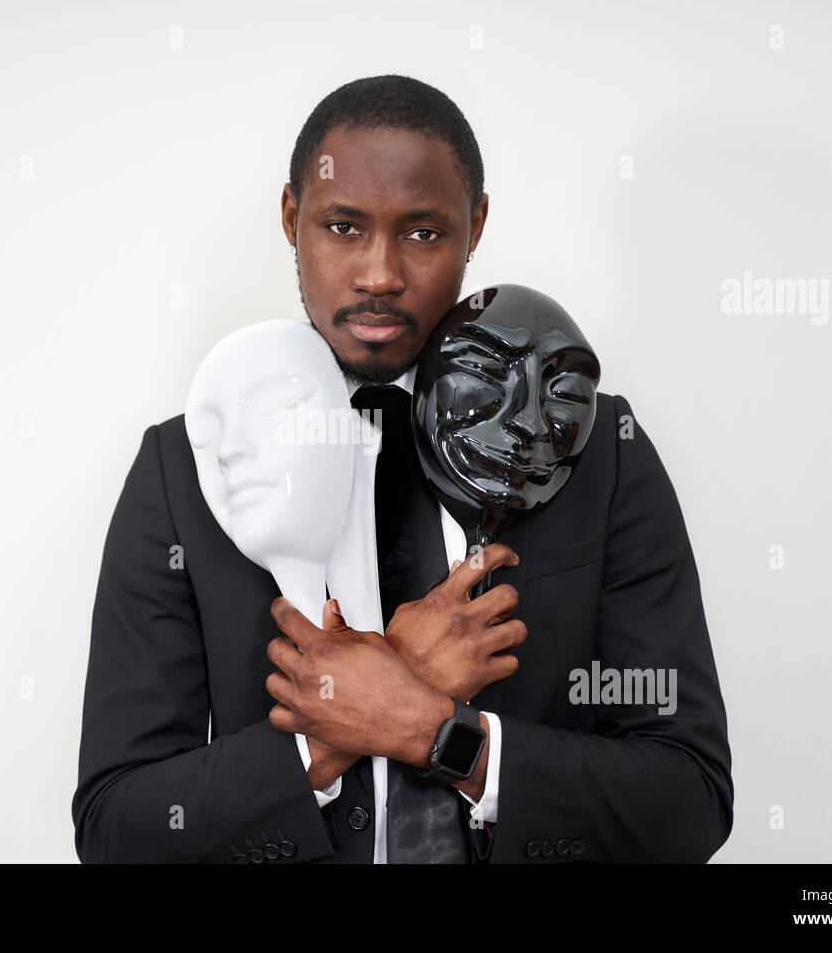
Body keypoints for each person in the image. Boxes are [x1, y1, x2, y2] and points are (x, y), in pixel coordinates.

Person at [72, 74, 733, 863]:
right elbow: (119, 830)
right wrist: (330, 734)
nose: (380, 273)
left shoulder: (598, 448)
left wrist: (435, 730)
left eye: (422, 233)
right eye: (343, 226)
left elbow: (689, 800)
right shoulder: (189, 469)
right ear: (292, 217)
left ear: (475, 225)